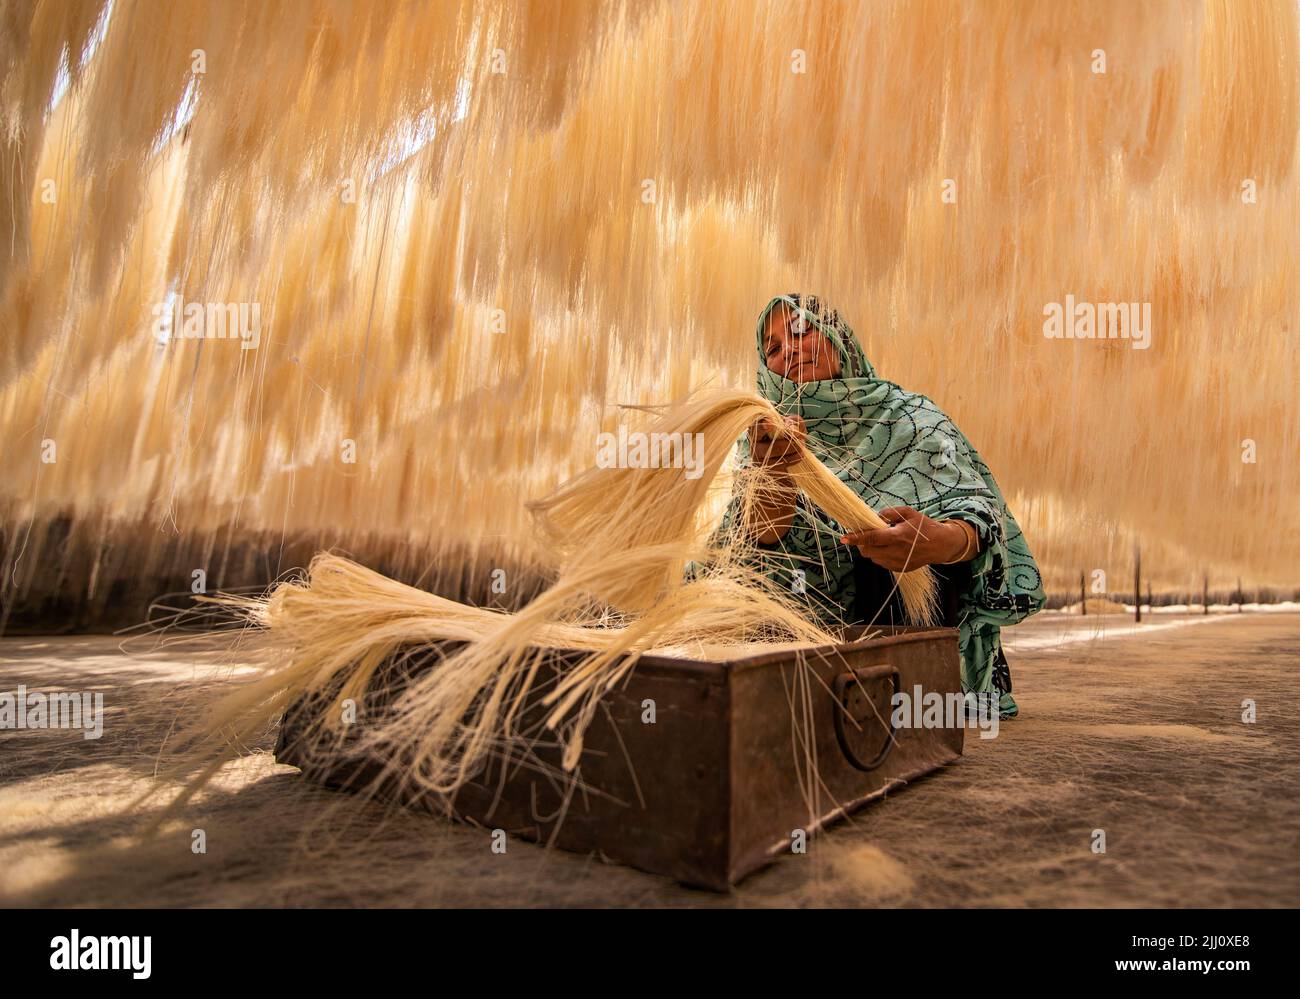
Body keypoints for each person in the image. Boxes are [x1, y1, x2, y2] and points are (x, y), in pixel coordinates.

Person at [711, 293, 1044, 718]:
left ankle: (912, 698)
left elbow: (975, 516)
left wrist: (939, 541)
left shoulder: (910, 415)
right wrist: (773, 474)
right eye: (772, 348)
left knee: (888, 543)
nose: (789, 350)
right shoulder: (761, 433)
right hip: (806, 639)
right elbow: (760, 544)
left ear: (839, 338)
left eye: (801, 329)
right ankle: (805, 694)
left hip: (904, 636)